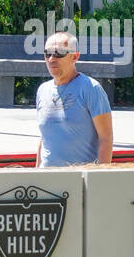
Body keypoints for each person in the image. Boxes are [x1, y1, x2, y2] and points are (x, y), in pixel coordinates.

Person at [34, 31, 113, 167]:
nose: (52, 59)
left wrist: (99, 179)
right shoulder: (43, 90)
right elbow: (45, 139)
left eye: (59, 53)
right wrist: (36, 175)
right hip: (46, 180)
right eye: (48, 53)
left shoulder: (91, 88)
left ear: (75, 56)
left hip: (78, 181)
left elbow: (106, 138)